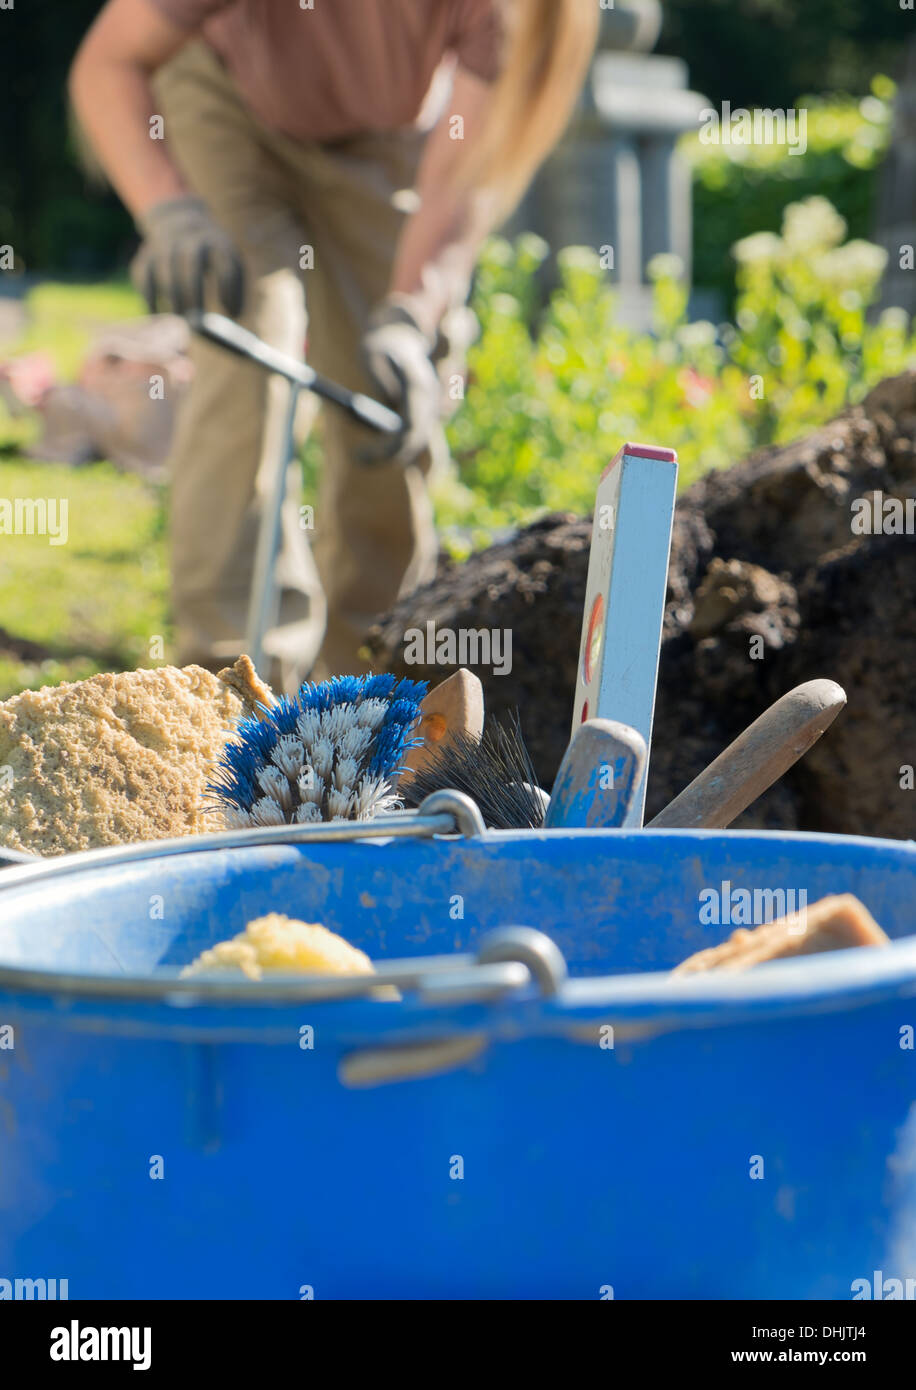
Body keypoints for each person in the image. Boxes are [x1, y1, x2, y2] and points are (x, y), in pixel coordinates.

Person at [70, 0, 597, 689]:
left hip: (384, 139)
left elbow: (462, 182)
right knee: (250, 345)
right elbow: (110, 61)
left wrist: (411, 317)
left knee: (390, 395)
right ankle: (230, 686)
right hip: (223, 96)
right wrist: (170, 211)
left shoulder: (521, 12)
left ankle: (370, 695)